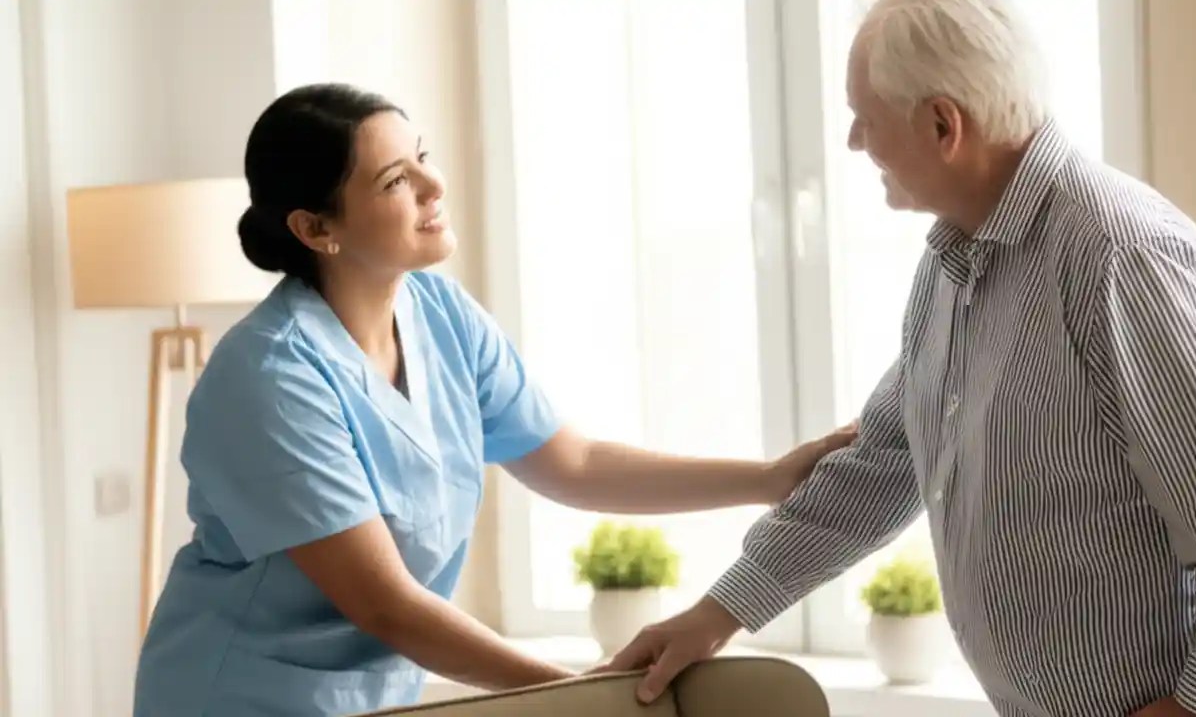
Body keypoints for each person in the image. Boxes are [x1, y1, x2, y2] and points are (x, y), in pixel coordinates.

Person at [601, 0, 1196, 715]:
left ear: (941, 125)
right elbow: (881, 464)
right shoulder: (954, 263)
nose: (854, 140)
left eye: (866, 117)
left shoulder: (1124, 258)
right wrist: (716, 614)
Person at [131, 82, 858, 717]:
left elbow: (574, 463)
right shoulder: (268, 378)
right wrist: (586, 697)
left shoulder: (441, 315)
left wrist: (766, 480)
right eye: (395, 179)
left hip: (374, 700)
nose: (433, 184)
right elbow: (386, 605)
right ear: (317, 228)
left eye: (423, 155)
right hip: (236, 697)